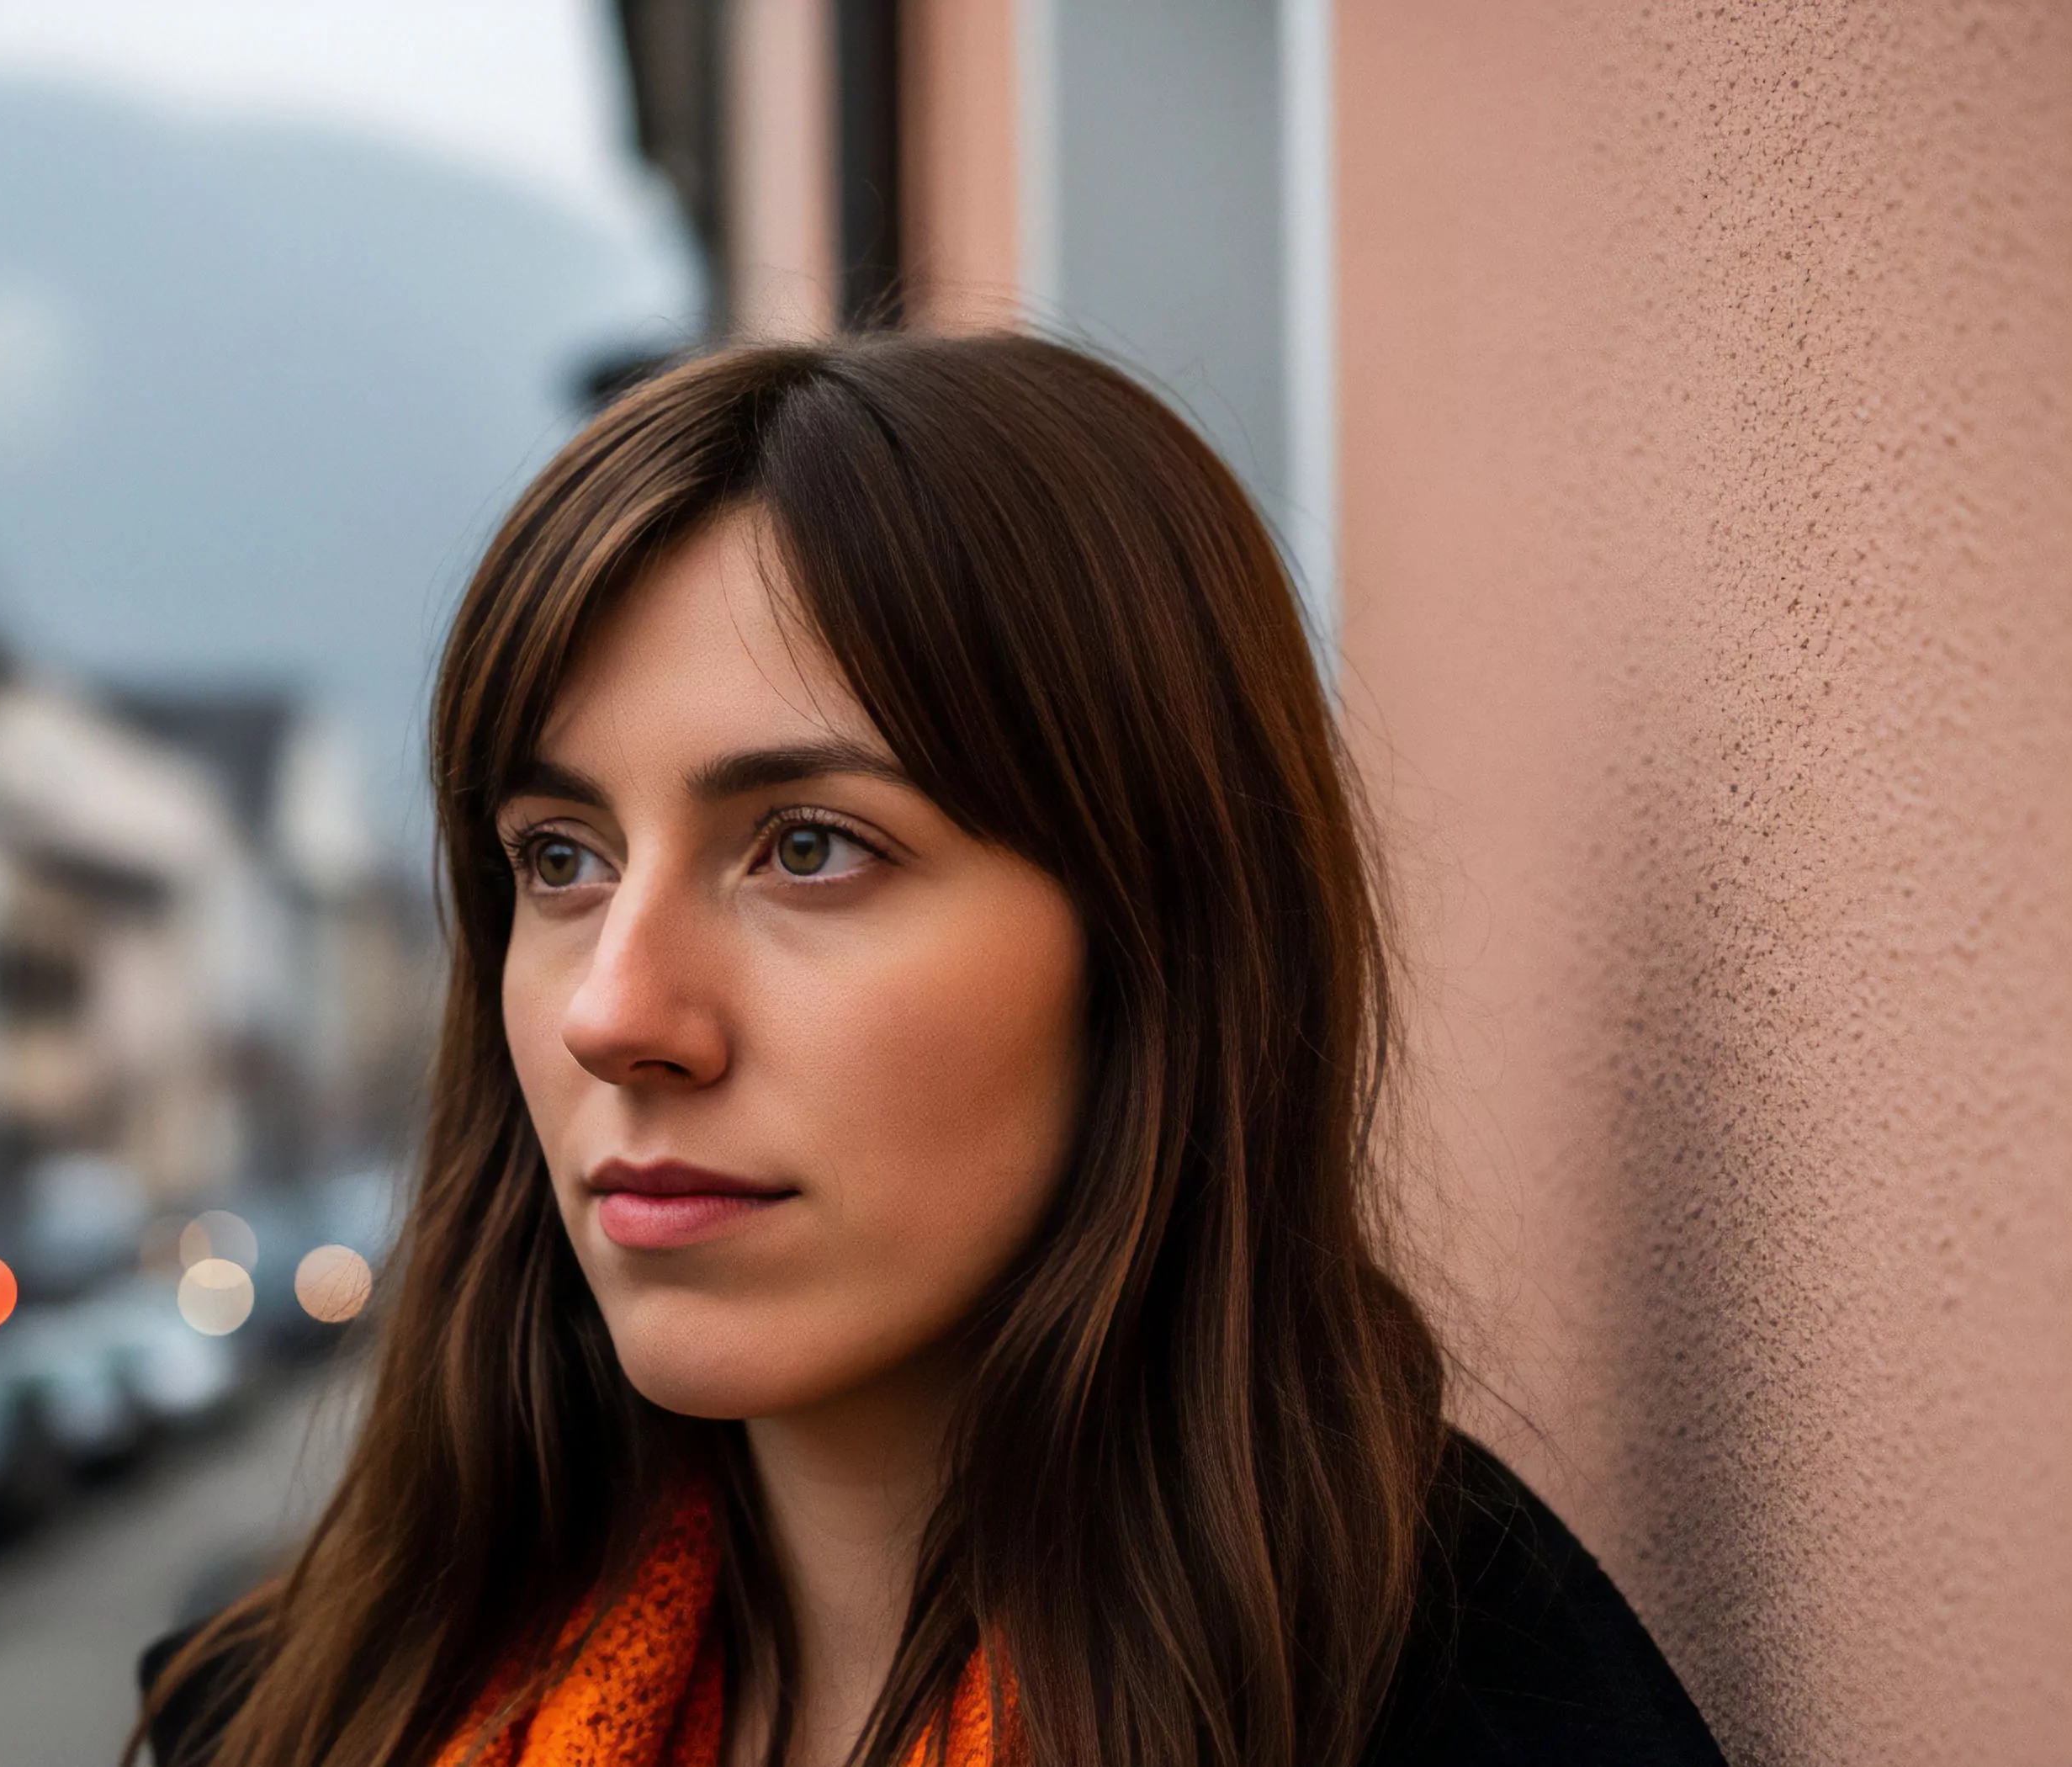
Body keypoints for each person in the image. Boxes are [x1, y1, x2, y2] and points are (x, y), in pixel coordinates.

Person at [138, 334, 1728, 1767]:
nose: (612, 1014)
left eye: (811, 847)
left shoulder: (1479, 1717)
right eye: (561, 859)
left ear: (1155, 945)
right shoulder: (291, 1713)